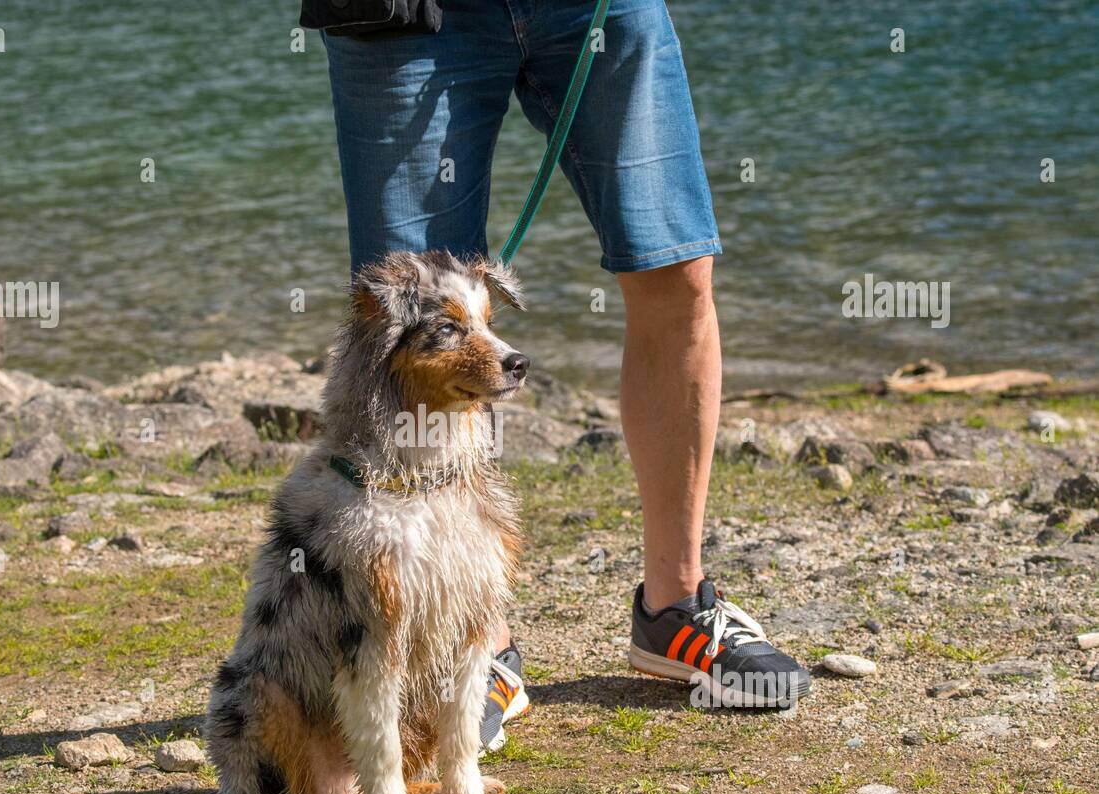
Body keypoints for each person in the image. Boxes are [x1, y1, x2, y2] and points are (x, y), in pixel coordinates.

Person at [305, 0, 812, 748]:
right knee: (409, 318)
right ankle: (472, 653)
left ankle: (674, 610)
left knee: (677, 269)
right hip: (407, 16)